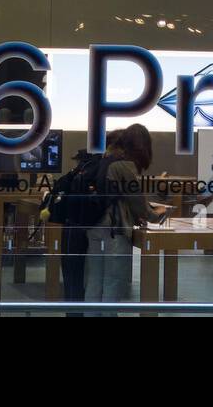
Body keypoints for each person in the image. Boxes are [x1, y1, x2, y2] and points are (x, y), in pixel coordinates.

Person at [85, 125, 155, 307]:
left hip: (94, 225)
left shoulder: (105, 160)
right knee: (113, 282)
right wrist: (154, 216)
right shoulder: (124, 165)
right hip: (113, 231)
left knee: (94, 280)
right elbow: (137, 200)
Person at [43, 148, 102, 303]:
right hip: (92, 227)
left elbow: (58, 188)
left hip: (73, 225)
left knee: (72, 271)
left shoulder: (76, 174)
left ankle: (73, 307)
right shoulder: (98, 171)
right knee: (89, 272)